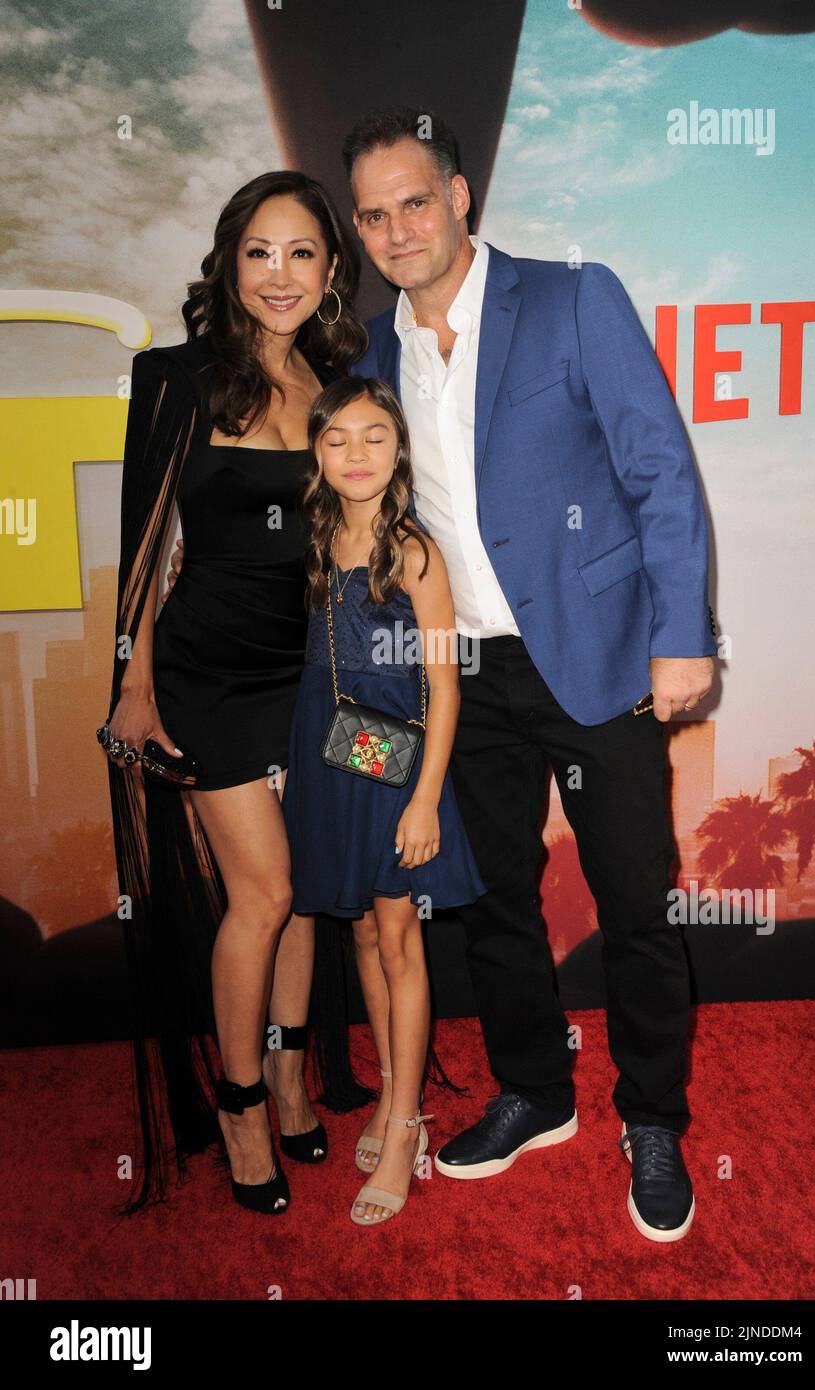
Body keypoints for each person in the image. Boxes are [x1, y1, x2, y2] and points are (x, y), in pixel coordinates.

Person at [340, 106, 717, 1242]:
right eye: (373, 213)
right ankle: (535, 1092)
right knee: (494, 897)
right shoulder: (372, 353)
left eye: (416, 200)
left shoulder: (569, 296)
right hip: (463, 676)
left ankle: (651, 1115)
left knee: (634, 902)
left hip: (596, 658)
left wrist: (684, 631)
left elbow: (658, 464)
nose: (398, 228)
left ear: (461, 198)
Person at [101, 171, 375, 1217]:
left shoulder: (339, 391)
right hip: (205, 675)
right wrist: (135, 680)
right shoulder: (176, 378)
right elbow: (142, 543)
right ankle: (242, 1101)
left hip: (307, 674)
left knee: (303, 889)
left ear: (329, 272)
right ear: (229, 262)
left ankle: (297, 1067)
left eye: (302, 253)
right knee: (260, 893)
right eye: (260, 251)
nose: (280, 274)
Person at [282, 375, 486, 1224]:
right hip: (330, 756)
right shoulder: (314, 536)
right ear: (317, 453)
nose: (356, 455)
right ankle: (393, 1090)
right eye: (337, 440)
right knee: (362, 929)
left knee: (399, 937)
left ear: (399, 448)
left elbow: (446, 683)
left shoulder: (413, 549)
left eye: (374, 436)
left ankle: (407, 1126)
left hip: (398, 764)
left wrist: (425, 800)